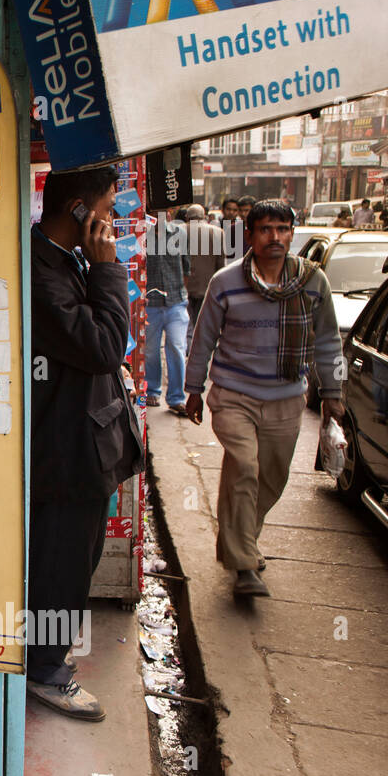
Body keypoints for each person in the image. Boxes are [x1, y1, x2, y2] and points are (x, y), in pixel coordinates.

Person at [28, 166, 144, 720]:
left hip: (83, 442)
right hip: (66, 449)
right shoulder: (43, 274)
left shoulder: (61, 261)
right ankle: (46, 670)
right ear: (79, 209)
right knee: (62, 563)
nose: (113, 216)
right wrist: (109, 268)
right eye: (107, 204)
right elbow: (104, 345)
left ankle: (48, 659)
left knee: (76, 558)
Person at [184, 201, 343, 597]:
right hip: (234, 396)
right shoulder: (225, 282)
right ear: (250, 236)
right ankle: (244, 566)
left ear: (292, 233)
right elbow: (203, 338)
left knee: (272, 478)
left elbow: (327, 341)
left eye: (283, 229)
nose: (275, 237)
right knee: (244, 467)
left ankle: (241, 542)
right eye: (266, 229)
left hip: (287, 399)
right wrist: (193, 389)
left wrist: (333, 394)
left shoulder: (312, 282)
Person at [144, 205, 192, 415]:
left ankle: (176, 397)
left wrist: (182, 293)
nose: (162, 216)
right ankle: (153, 390)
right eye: (155, 213)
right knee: (151, 351)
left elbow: (186, 265)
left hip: (176, 302)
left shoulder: (179, 233)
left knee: (176, 348)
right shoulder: (142, 235)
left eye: (166, 212)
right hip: (151, 304)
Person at [182, 203, 226, 352]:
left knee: (187, 320)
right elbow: (221, 263)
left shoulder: (178, 231)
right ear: (204, 216)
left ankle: (188, 347)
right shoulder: (218, 232)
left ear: (187, 217)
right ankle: (201, 347)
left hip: (183, 284)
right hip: (207, 284)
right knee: (203, 319)